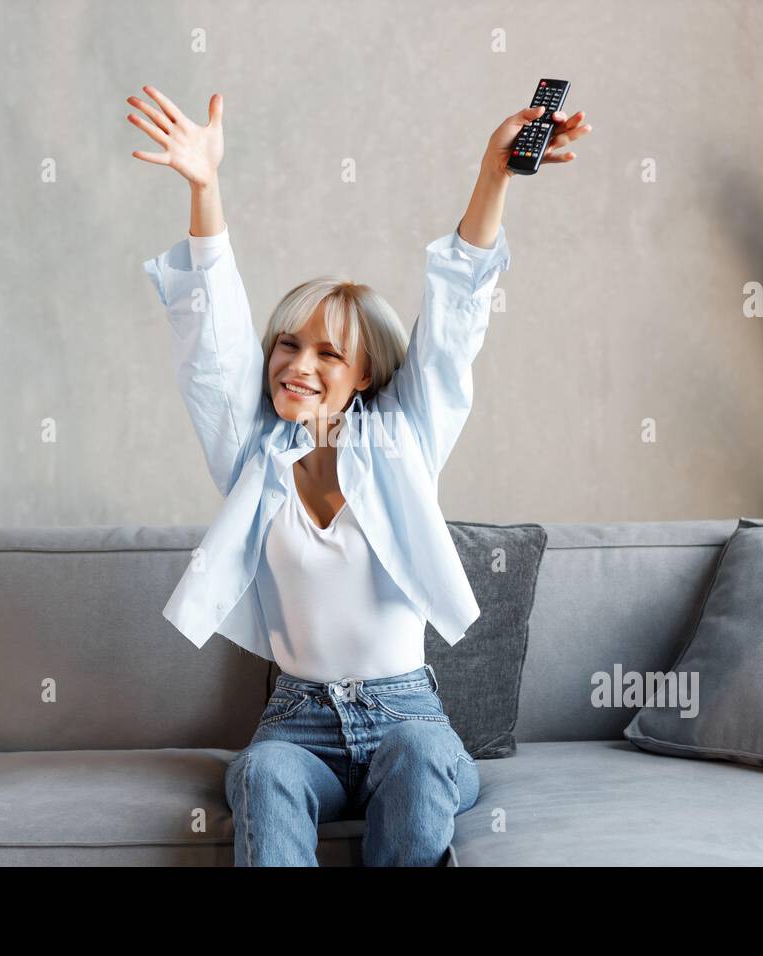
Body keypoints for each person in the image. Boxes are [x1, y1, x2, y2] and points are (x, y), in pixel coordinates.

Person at [130, 85, 590, 866]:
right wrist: (205, 189)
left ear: (366, 376)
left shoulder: (403, 439)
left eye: (327, 353)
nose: (296, 364)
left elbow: (454, 322)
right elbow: (215, 340)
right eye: (287, 344)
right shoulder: (254, 456)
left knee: (414, 763)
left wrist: (495, 174)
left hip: (408, 719)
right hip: (295, 723)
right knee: (265, 772)